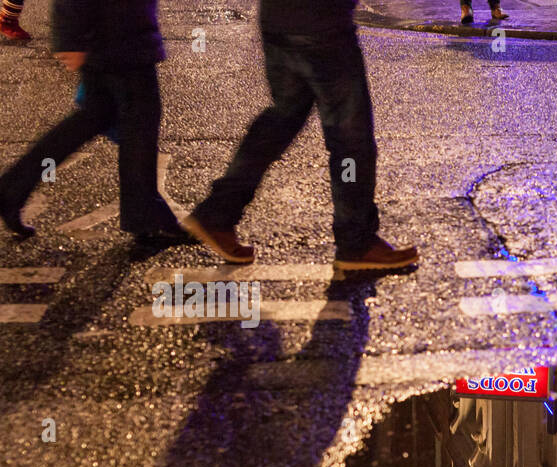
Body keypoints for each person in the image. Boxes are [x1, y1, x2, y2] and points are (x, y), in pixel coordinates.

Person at [183, 0, 418, 272]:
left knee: (281, 120)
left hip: (278, 24)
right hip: (323, 30)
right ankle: (357, 241)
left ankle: (217, 212)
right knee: (350, 145)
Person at [0, 0, 190, 245]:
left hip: (115, 33)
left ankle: (11, 190)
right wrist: (70, 37)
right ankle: (145, 216)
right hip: (118, 36)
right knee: (139, 123)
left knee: (94, 117)